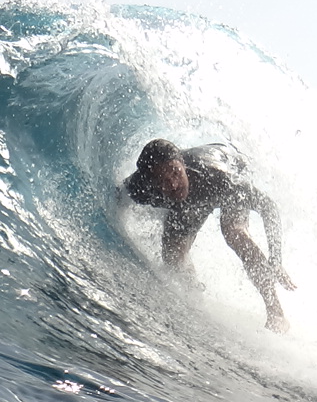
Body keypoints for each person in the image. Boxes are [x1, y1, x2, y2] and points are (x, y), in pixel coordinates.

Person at [123, 138, 296, 331]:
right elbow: (118, 196)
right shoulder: (141, 186)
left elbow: (268, 207)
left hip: (232, 166)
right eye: (163, 181)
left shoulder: (219, 178)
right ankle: (195, 300)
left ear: (181, 163)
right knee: (172, 255)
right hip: (195, 195)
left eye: (175, 172)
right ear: (152, 184)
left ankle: (276, 313)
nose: (173, 184)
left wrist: (276, 259)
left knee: (233, 231)